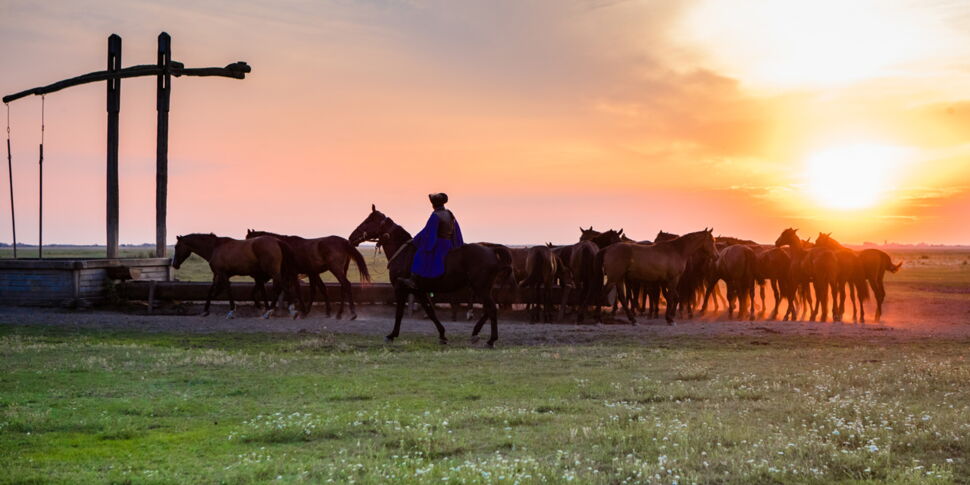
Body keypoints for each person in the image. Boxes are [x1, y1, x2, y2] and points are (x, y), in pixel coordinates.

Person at [398, 193, 463, 289]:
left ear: (434, 204)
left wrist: (416, 239)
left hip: (439, 245)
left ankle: (413, 279)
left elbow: (428, 232)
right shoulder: (449, 213)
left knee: (420, 254)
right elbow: (455, 230)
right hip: (448, 243)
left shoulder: (436, 215)